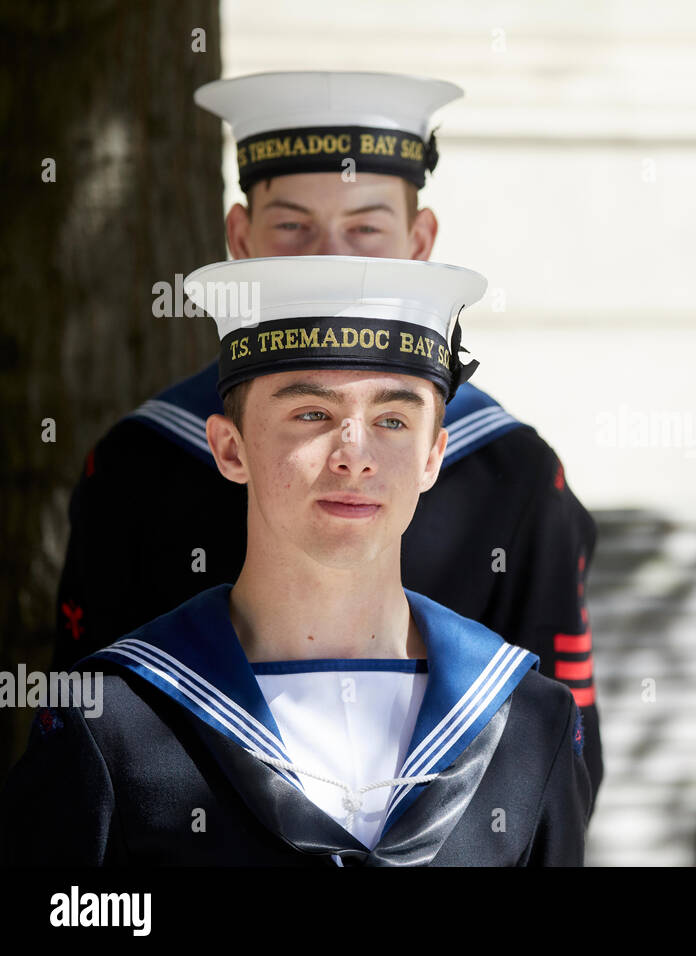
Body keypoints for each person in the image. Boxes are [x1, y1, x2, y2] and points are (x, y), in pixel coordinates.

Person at [50, 72, 602, 798]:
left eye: (366, 228)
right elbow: (86, 736)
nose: (330, 255)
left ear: (420, 241)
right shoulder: (137, 465)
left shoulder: (512, 472)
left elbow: (559, 761)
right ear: (240, 237)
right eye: (292, 227)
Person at [3, 256, 590, 865]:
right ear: (230, 449)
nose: (355, 456)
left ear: (432, 456)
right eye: (312, 415)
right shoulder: (113, 725)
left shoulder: (526, 724)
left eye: (392, 420)